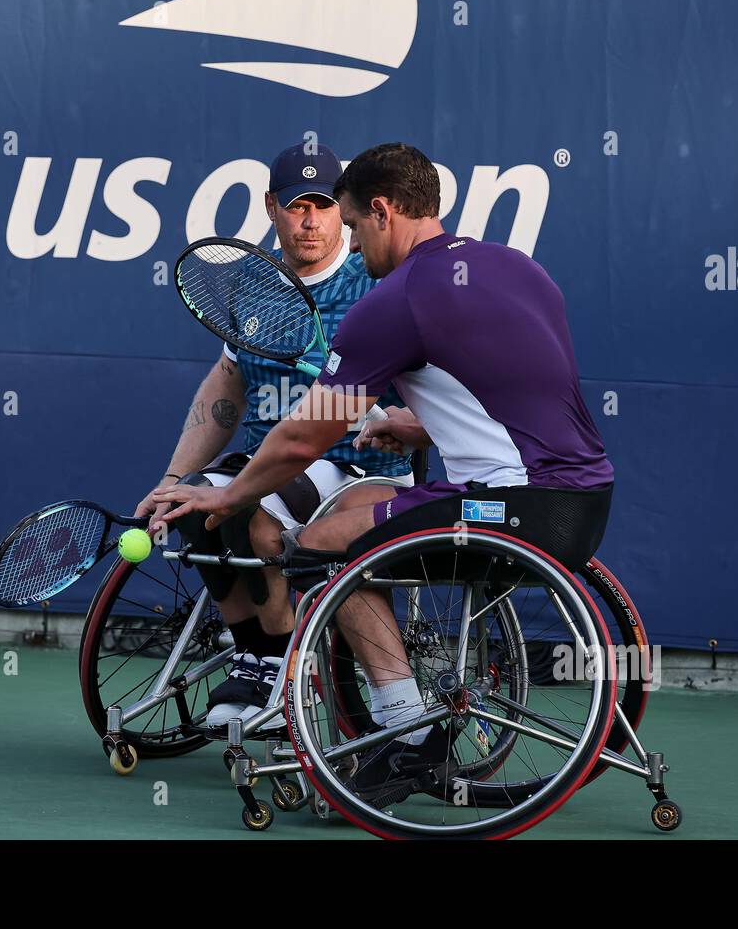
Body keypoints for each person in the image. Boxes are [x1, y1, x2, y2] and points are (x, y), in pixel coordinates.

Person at [152, 142, 614, 806]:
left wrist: (228, 494)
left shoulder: (395, 300)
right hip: (584, 506)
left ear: (382, 211)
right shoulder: (516, 268)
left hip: (509, 510)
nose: (347, 235)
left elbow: (301, 440)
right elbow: (529, 395)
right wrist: (421, 427)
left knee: (315, 545)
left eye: (350, 221)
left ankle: (404, 730)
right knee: (351, 525)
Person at [135, 141, 411, 730]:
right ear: (271, 207)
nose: (309, 220)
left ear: (343, 209)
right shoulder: (251, 282)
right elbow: (227, 385)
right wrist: (168, 479)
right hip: (272, 456)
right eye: (295, 206)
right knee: (189, 504)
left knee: (258, 511)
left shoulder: (376, 279)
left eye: (322, 205)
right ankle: (255, 655)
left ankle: (286, 661)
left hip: (355, 465)